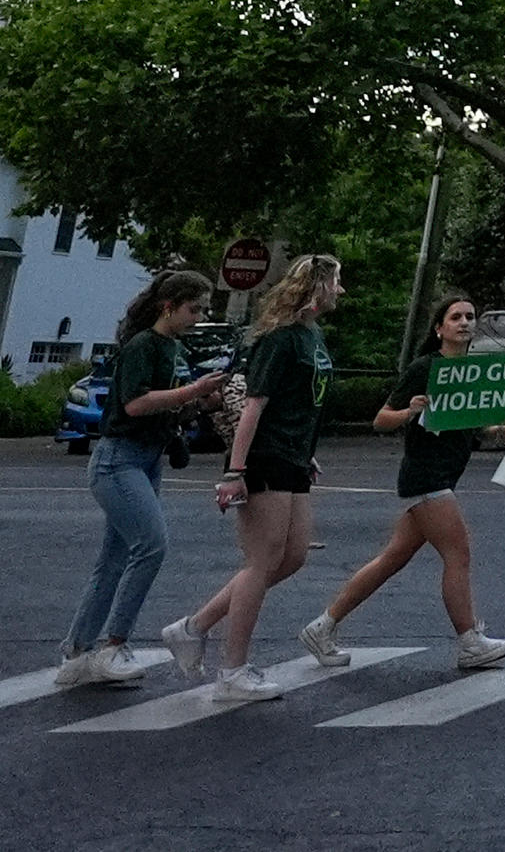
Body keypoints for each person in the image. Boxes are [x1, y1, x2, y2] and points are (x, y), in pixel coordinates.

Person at [300, 292, 505, 674]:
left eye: (470, 317)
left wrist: (501, 431)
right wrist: (410, 410)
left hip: (443, 476)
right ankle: (469, 641)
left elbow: (470, 430)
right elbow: (381, 419)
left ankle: (322, 626)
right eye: (455, 317)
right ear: (439, 328)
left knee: (391, 559)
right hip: (426, 476)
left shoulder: (470, 373)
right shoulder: (426, 368)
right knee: (459, 554)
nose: (465, 323)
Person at [166, 250, 343, 704]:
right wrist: (234, 471)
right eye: (337, 282)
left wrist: (308, 453)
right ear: (317, 287)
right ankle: (233, 670)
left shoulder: (312, 335)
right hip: (264, 457)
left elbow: (304, 405)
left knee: (294, 555)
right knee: (260, 563)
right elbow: (253, 407)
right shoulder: (279, 339)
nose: (342, 290)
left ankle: (194, 627)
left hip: (295, 458)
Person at [57, 269, 223, 688]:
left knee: (113, 559)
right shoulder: (144, 345)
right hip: (119, 459)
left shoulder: (172, 348)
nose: (198, 316)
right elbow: (134, 405)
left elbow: (167, 406)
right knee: (151, 546)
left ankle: (77, 654)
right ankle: (113, 645)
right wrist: (191, 392)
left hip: (146, 458)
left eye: (203, 308)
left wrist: (200, 402)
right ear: (167, 306)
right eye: (193, 308)